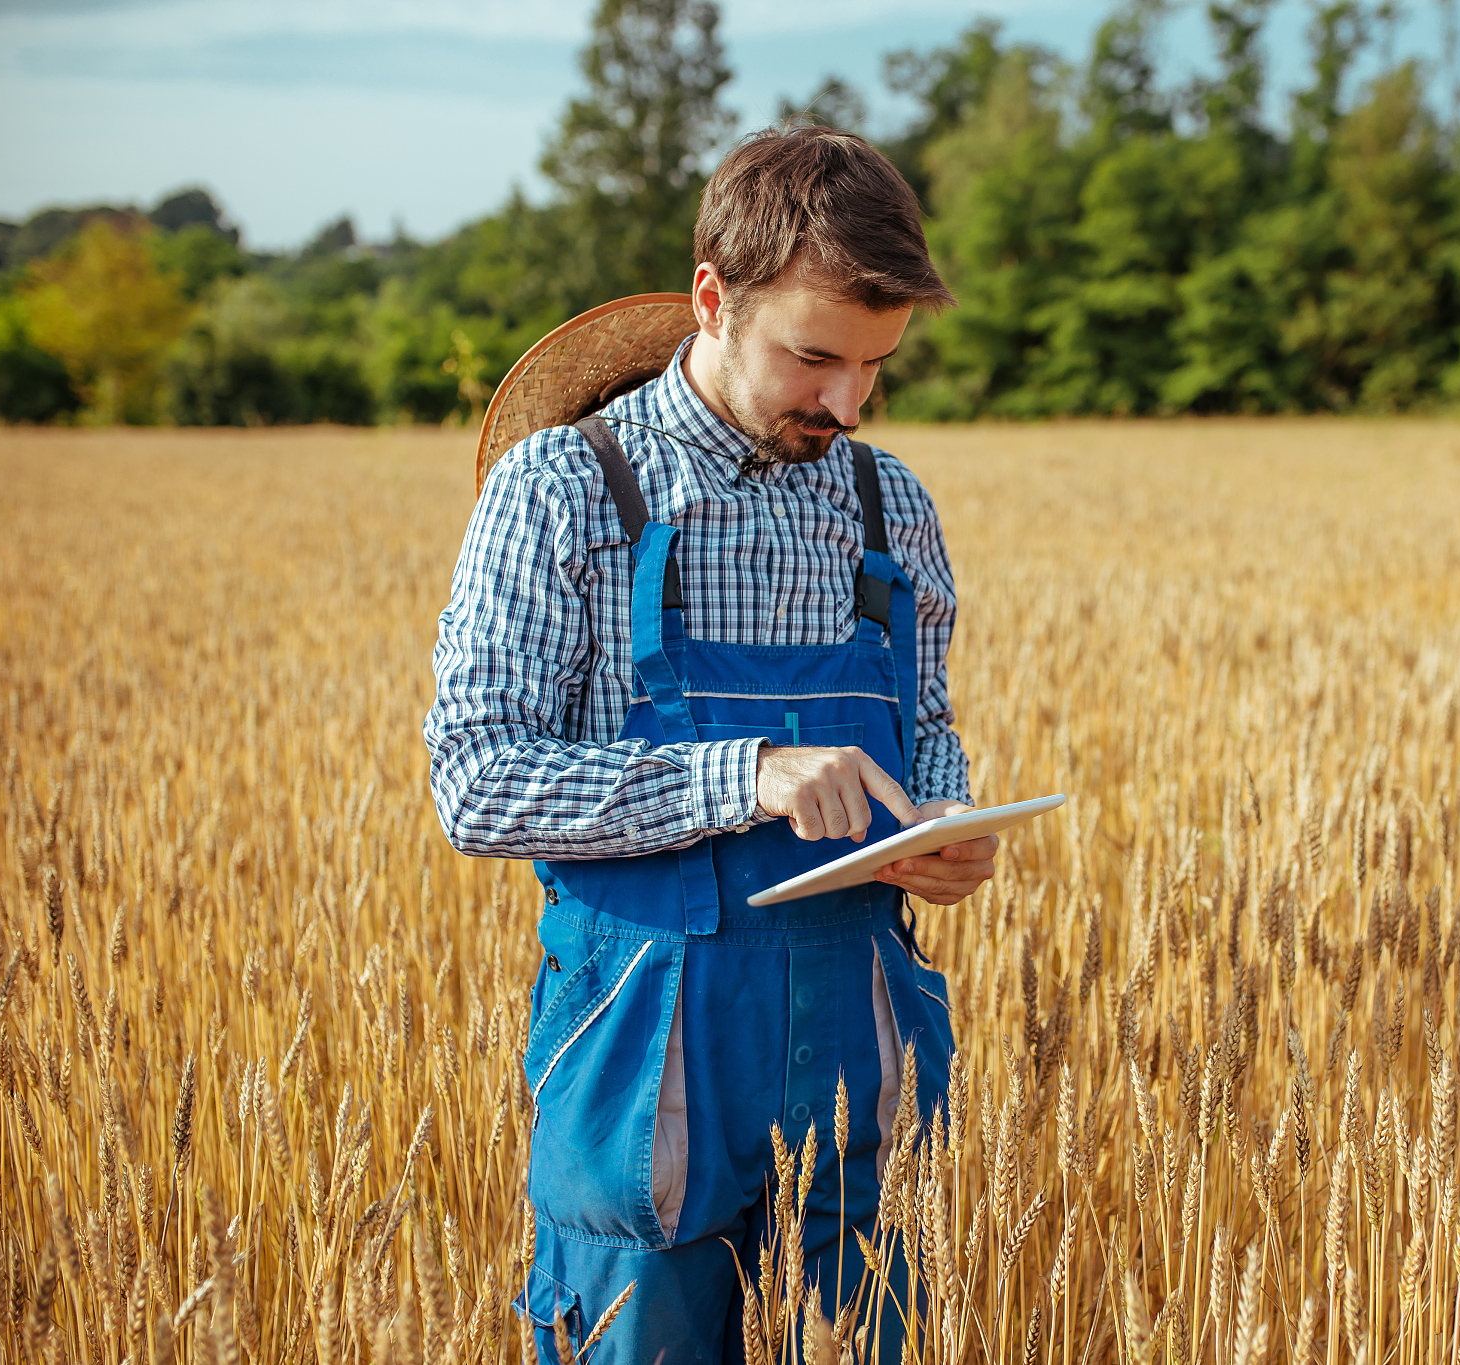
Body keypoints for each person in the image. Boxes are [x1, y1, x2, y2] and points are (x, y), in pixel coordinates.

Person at [423, 125, 997, 1362]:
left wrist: (942, 832)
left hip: (864, 1050)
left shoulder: (889, 504)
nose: (845, 404)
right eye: (813, 357)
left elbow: (930, 731)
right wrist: (743, 777)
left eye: (876, 367)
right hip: (645, 1066)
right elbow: (475, 786)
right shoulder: (563, 491)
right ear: (710, 299)